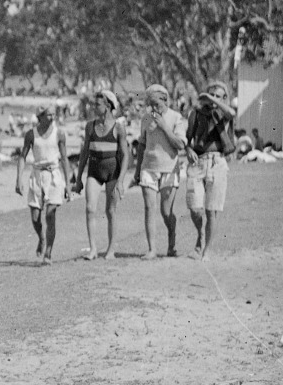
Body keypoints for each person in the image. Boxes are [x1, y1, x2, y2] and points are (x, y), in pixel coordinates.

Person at [72, 89, 130, 261]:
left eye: (97, 104)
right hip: (94, 171)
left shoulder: (118, 128)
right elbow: (84, 153)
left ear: (108, 106)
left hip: (113, 172)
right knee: (90, 208)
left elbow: (125, 155)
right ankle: (93, 249)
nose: (93, 107)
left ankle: (111, 249)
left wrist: (120, 181)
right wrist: (78, 178)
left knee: (110, 211)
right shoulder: (90, 126)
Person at [131, 85, 187, 258]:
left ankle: (172, 243)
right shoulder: (145, 119)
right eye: (151, 104)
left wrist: (164, 126)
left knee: (166, 211)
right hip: (149, 167)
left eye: (157, 104)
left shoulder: (176, 118)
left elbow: (180, 145)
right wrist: (138, 169)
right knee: (149, 207)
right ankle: (152, 249)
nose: (154, 108)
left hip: (169, 168)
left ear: (165, 100)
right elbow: (141, 144)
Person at [183, 81, 236, 260]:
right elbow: (187, 140)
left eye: (220, 96)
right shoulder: (196, 114)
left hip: (217, 162)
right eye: (212, 95)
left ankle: (206, 249)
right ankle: (200, 234)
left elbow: (231, 112)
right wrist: (188, 150)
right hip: (198, 162)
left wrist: (216, 101)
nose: (215, 99)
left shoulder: (224, 115)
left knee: (211, 210)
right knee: (194, 207)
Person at [15, 106, 71, 264]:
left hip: (54, 175)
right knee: (35, 217)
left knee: (50, 214)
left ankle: (48, 253)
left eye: (53, 114)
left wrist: (68, 184)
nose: (52, 117)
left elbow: (65, 158)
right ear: (40, 117)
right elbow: (22, 157)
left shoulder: (59, 133)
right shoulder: (31, 134)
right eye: (48, 115)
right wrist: (18, 179)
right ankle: (41, 238)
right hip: (37, 175)